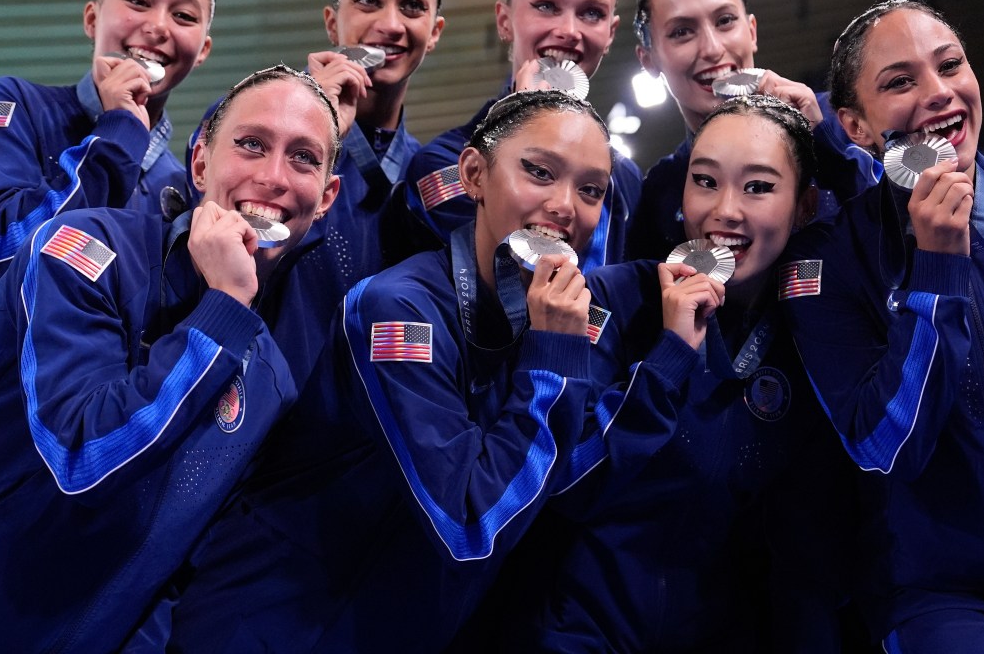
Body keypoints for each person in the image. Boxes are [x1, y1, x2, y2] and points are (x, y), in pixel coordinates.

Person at [163, 90, 656, 653]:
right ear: (473, 174)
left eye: (590, 190)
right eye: (539, 172)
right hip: (265, 630)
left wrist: (666, 360)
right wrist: (552, 364)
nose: (565, 205)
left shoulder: (544, 319)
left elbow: (555, 488)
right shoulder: (398, 310)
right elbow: (469, 527)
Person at [0, 65, 340, 653]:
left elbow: (172, 568)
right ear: (199, 164)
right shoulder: (80, 248)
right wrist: (223, 307)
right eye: (251, 144)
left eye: (303, 158)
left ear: (326, 198)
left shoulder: (269, 380)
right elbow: (82, 454)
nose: (272, 177)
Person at [779, 0, 984, 650]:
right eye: (900, 81)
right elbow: (885, 446)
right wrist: (937, 271)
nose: (938, 92)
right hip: (931, 594)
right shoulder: (826, 262)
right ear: (855, 126)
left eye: (950, 65)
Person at [490, 95, 854, 652]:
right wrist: (669, 356)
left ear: (804, 205)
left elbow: (807, 546)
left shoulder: (809, 335)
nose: (725, 210)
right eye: (705, 181)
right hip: (579, 636)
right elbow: (562, 487)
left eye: (758, 187)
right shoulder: (612, 298)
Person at [0, 0, 214, 383]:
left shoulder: (183, 188)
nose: (157, 26)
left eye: (184, 16)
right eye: (137, 1)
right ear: (92, 18)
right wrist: (117, 134)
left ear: (203, 49)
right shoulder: (11, 108)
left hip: (84, 424)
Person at [190, 0, 445, 383]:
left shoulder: (424, 176)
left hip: (367, 414)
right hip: (249, 395)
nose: (391, 24)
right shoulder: (241, 123)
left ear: (435, 31)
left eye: (412, 6)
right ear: (332, 22)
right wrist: (319, 115)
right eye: (368, 1)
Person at [391, 0, 641, 268]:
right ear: (504, 21)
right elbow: (517, 267)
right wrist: (529, 122)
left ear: (610, 33)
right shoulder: (443, 163)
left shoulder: (625, 177)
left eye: (591, 13)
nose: (569, 30)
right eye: (546, 6)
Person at [626, 0, 881, 262]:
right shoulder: (662, 189)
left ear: (752, 31)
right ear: (648, 61)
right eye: (682, 32)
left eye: (725, 21)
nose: (713, 49)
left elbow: (899, 228)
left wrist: (825, 146)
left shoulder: (843, 121)